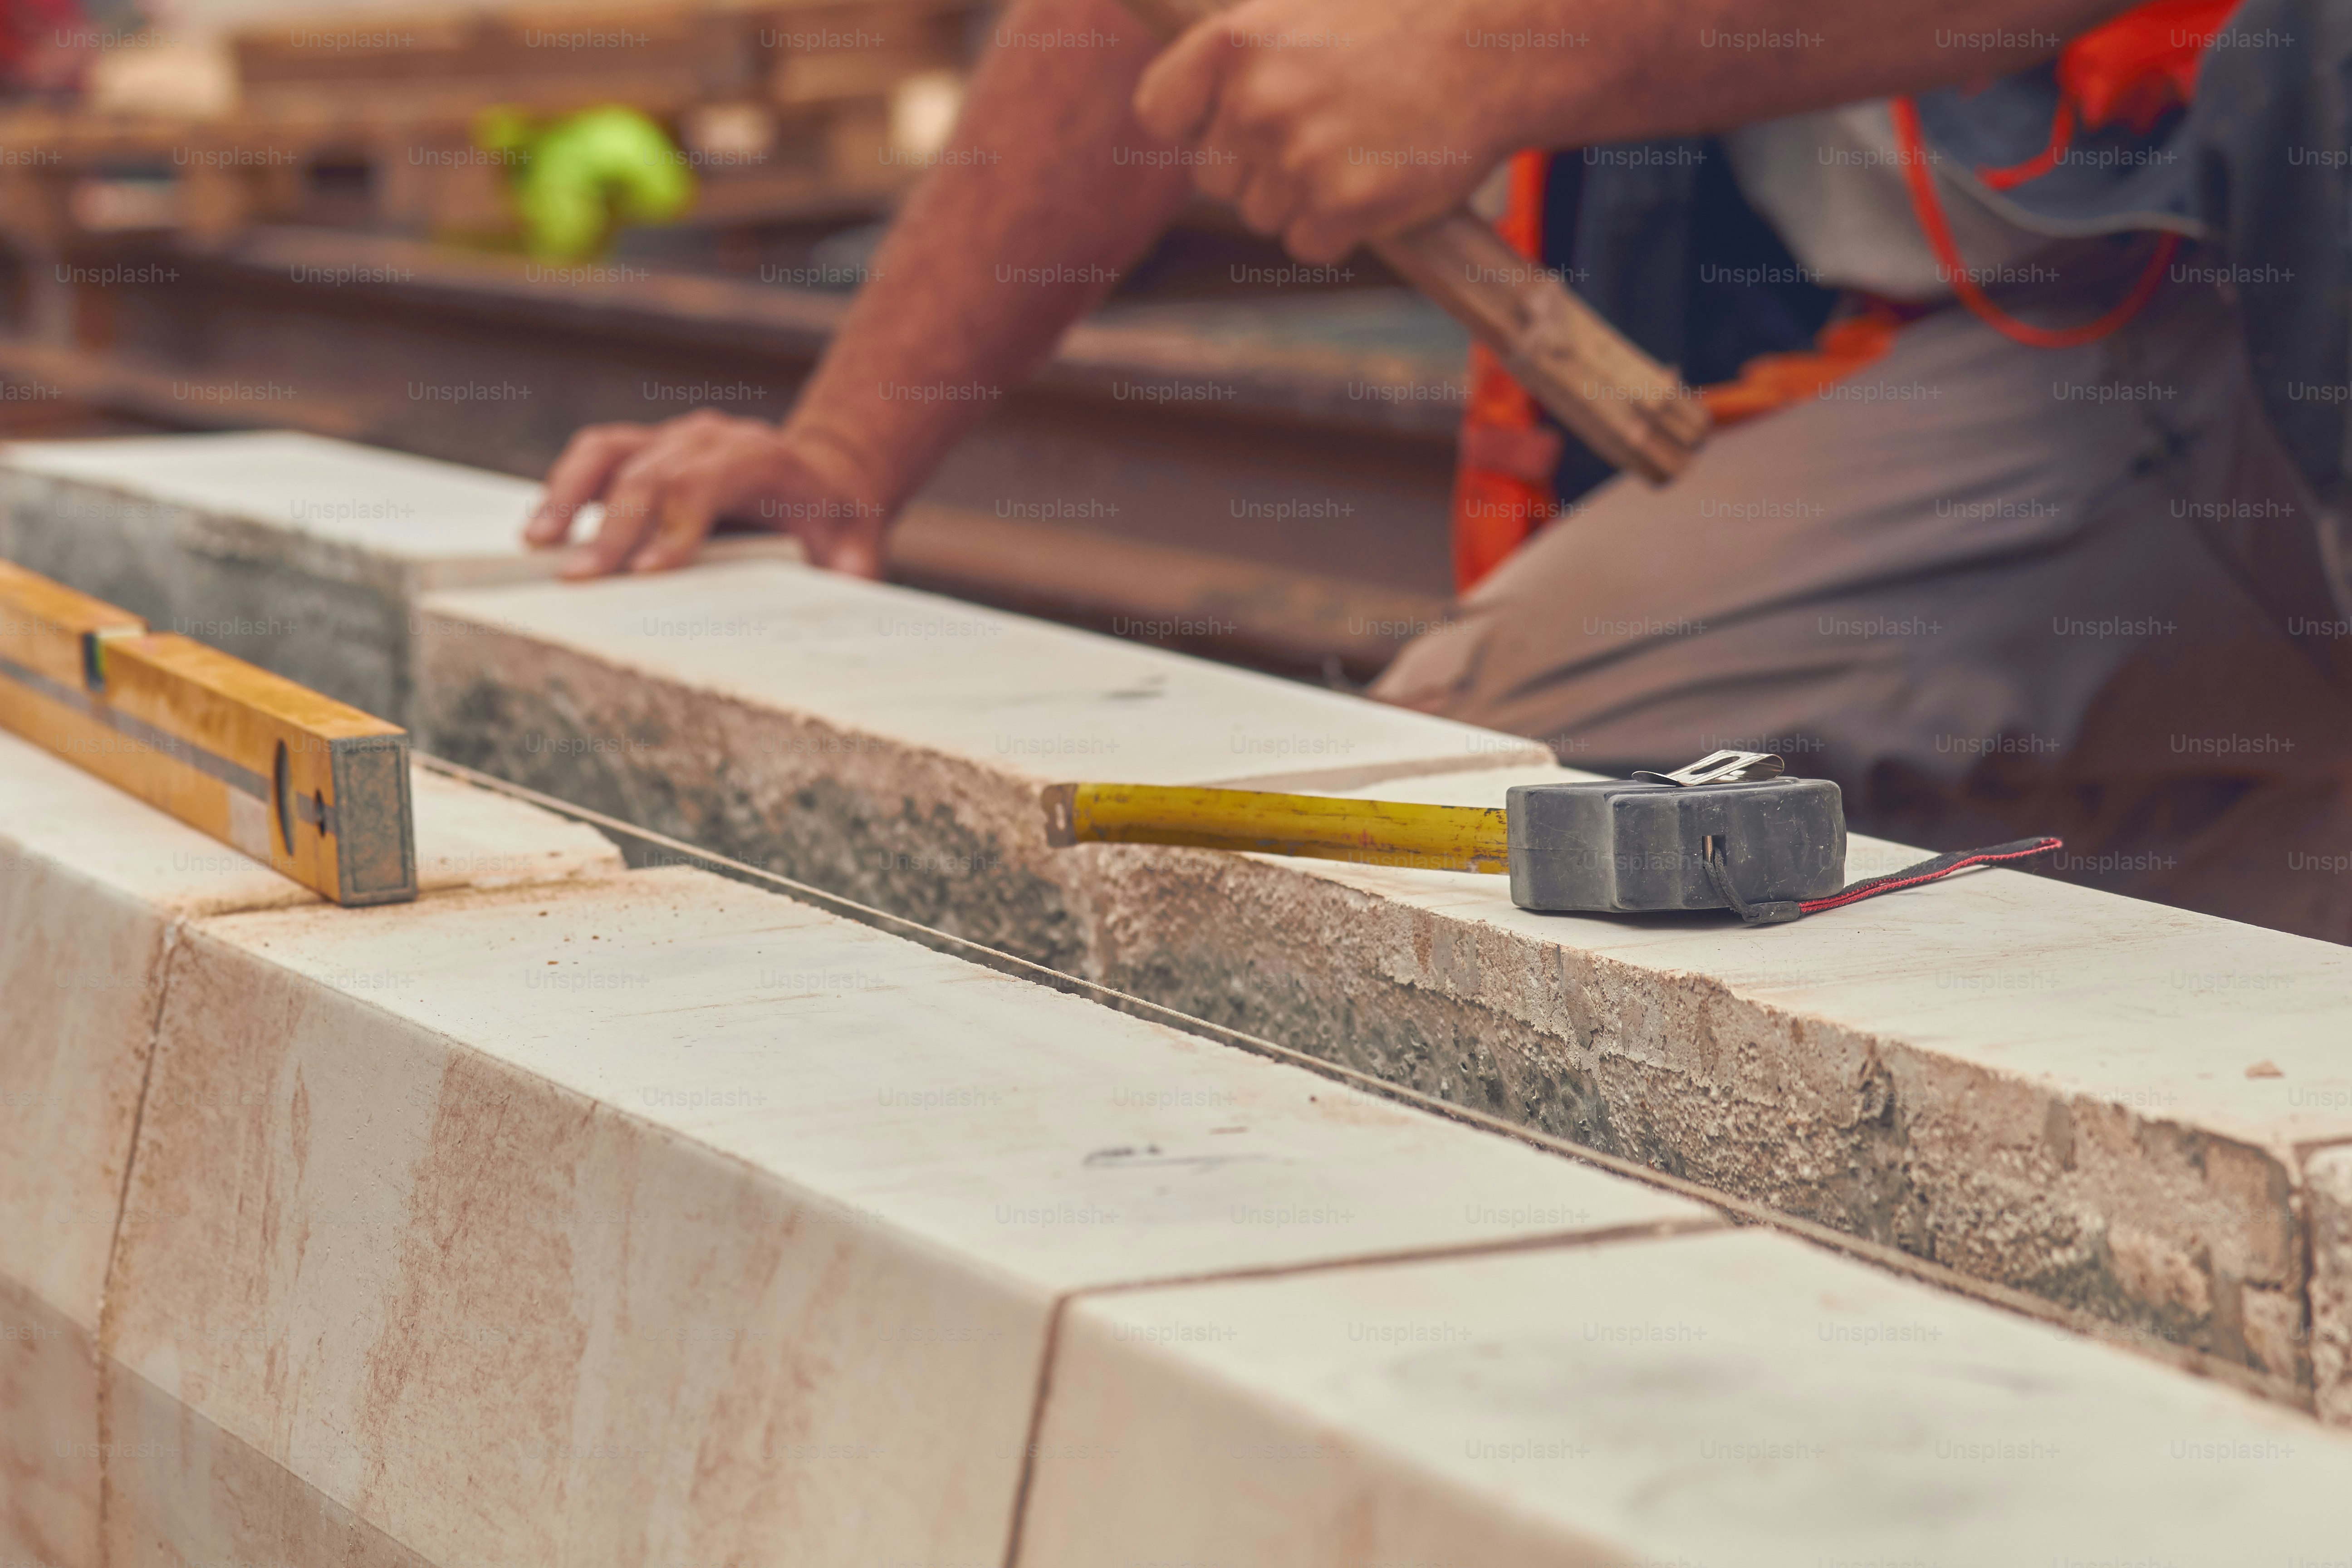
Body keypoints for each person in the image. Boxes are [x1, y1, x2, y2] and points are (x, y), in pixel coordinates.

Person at [524, 0, 2352, 941]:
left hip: (2290, 274)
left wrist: (1500, 52)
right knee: (1497, 838)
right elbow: (1154, 27)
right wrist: (848, 448)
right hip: (2097, 338)